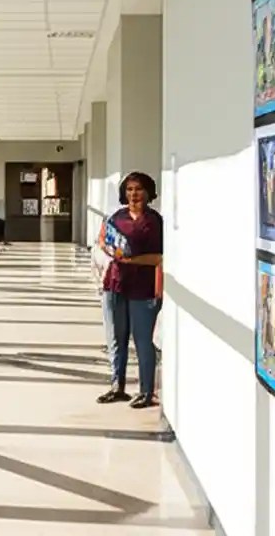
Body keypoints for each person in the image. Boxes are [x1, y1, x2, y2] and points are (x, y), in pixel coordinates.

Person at [95, 172, 164, 409]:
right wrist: (108, 249)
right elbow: (102, 240)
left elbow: (158, 258)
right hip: (114, 285)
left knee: (143, 340)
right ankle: (117, 386)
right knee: (116, 338)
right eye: (129, 189)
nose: (134, 194)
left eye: (138, 189)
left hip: (142, 288)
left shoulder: (154, 222)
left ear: (148, 193)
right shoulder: (117, 217)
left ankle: (146, 391)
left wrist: (131, 260)